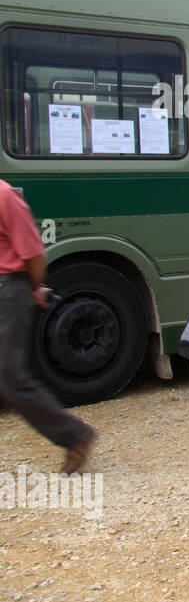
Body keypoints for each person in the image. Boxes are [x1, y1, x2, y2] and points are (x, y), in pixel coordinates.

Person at [0, 177, 97, 473]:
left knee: (8, 375)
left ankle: (75, 435)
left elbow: (33, 254)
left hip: (7, 289)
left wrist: (33, 288)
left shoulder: (4, 196)